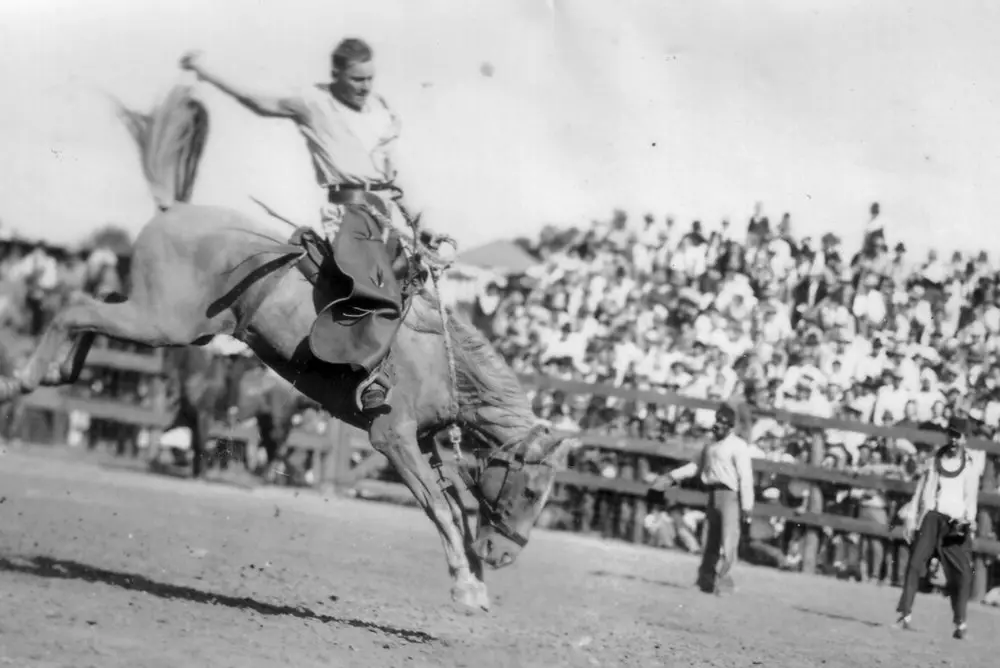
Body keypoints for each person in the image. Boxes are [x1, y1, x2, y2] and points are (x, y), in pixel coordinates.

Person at [179, 38, 417, 417]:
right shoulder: (313, 102)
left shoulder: (383, 113)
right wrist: (205, 68)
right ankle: (369, 380)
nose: (365, 87)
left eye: (370, 78)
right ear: (337, 75)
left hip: (386, 215)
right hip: (349, 215)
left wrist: (427, 228)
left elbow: (399, 178)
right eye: (357, 79)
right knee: (377, 290)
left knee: (417, 292)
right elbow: (258, 99)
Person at [648, 403, 755, 595]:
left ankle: (725, 583)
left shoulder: (738, 446)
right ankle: (705, 580)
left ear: (730, 425)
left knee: (728, 541)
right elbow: (695, 467)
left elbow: (745, 477)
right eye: (717, 421)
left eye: (723, 423)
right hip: (713, 493)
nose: (718, 426)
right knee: (710, 540)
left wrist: (747, 505)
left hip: (730, 495)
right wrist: (671, 477)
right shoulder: (710, 446)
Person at [894, 418, 980, 639]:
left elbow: (971, 499)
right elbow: (920, 492)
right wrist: (911, 519)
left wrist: (968, 521)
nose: (953, 440)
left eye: (958, 436)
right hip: (932, 519)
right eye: (951, 435)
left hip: (955, 524)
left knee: (962, 574)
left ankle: (960, 622)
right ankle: (904, 614)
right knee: (914, 564)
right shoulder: (934, 462)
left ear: (965, 439)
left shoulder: (971, 467)